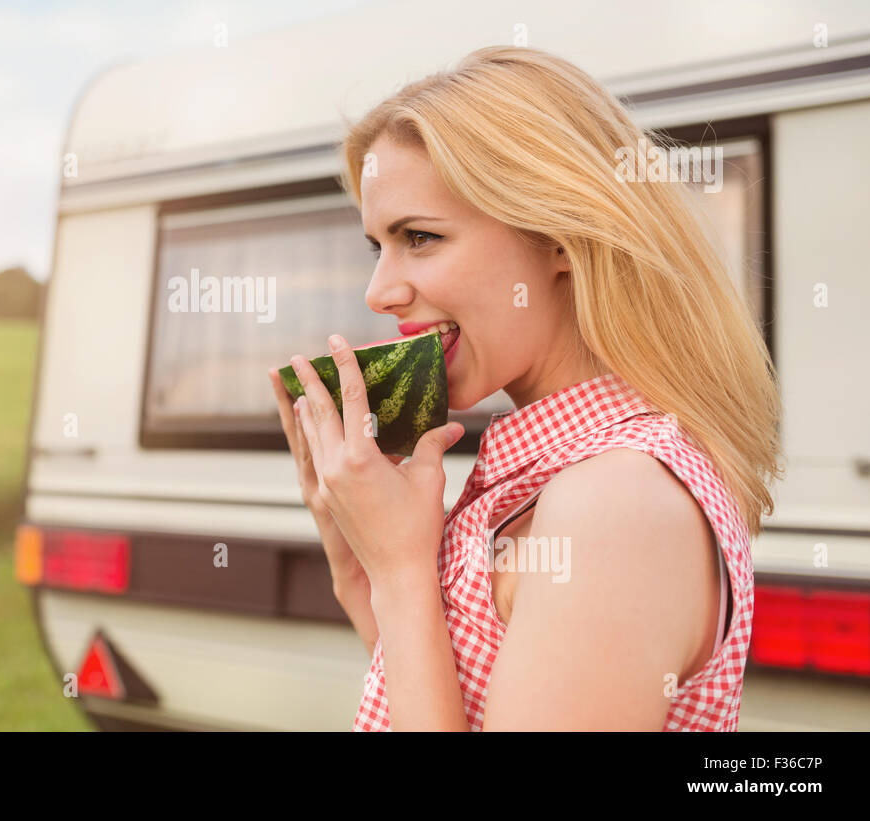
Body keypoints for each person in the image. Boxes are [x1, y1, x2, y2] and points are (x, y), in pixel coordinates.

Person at [267, 45, 781, 731]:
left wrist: (401, 570)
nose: (379, 291)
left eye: (419, 237)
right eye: (377, 246)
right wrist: (358, 558)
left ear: (558, 236)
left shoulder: (614, 503)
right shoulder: (553, 475)